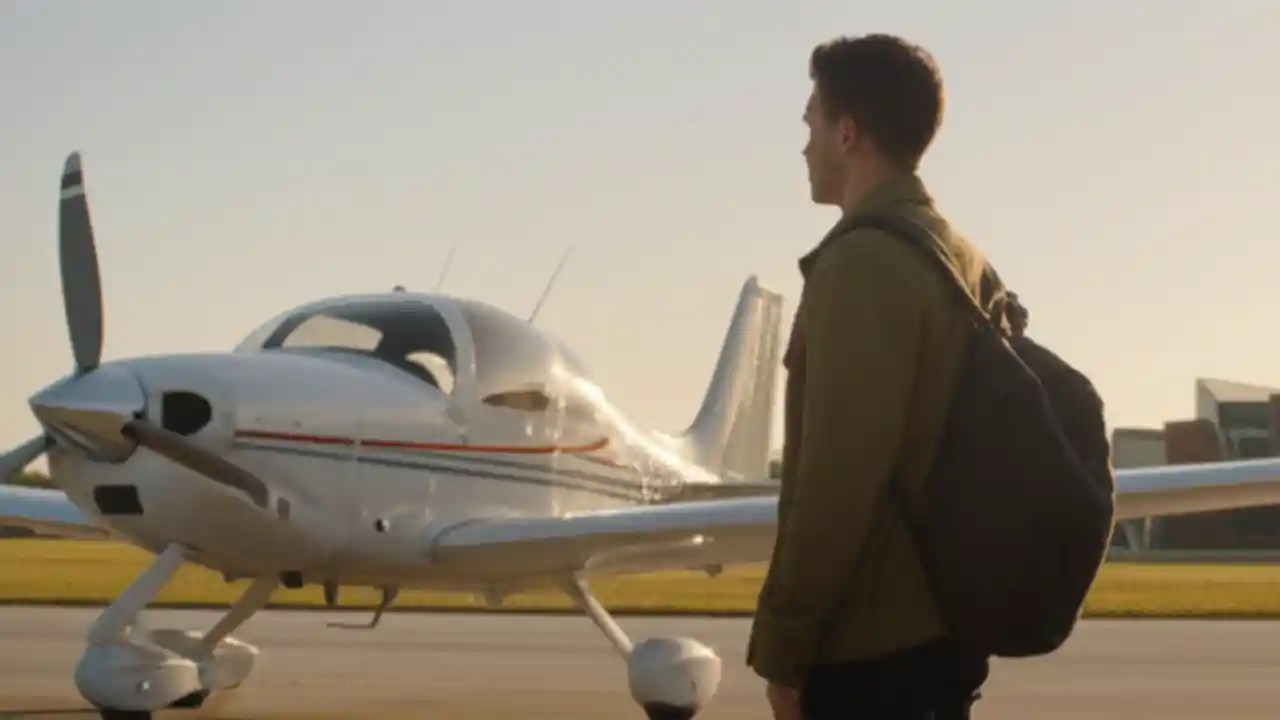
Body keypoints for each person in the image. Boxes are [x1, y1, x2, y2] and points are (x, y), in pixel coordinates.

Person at [746, 33, 1009, 719]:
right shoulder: (962, 261)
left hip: (870, 653)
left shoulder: (860, 267)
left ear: (847, 133)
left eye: (811, 123)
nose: (803, 144)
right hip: (944, 634)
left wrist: (782, 651)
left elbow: (838, 479)